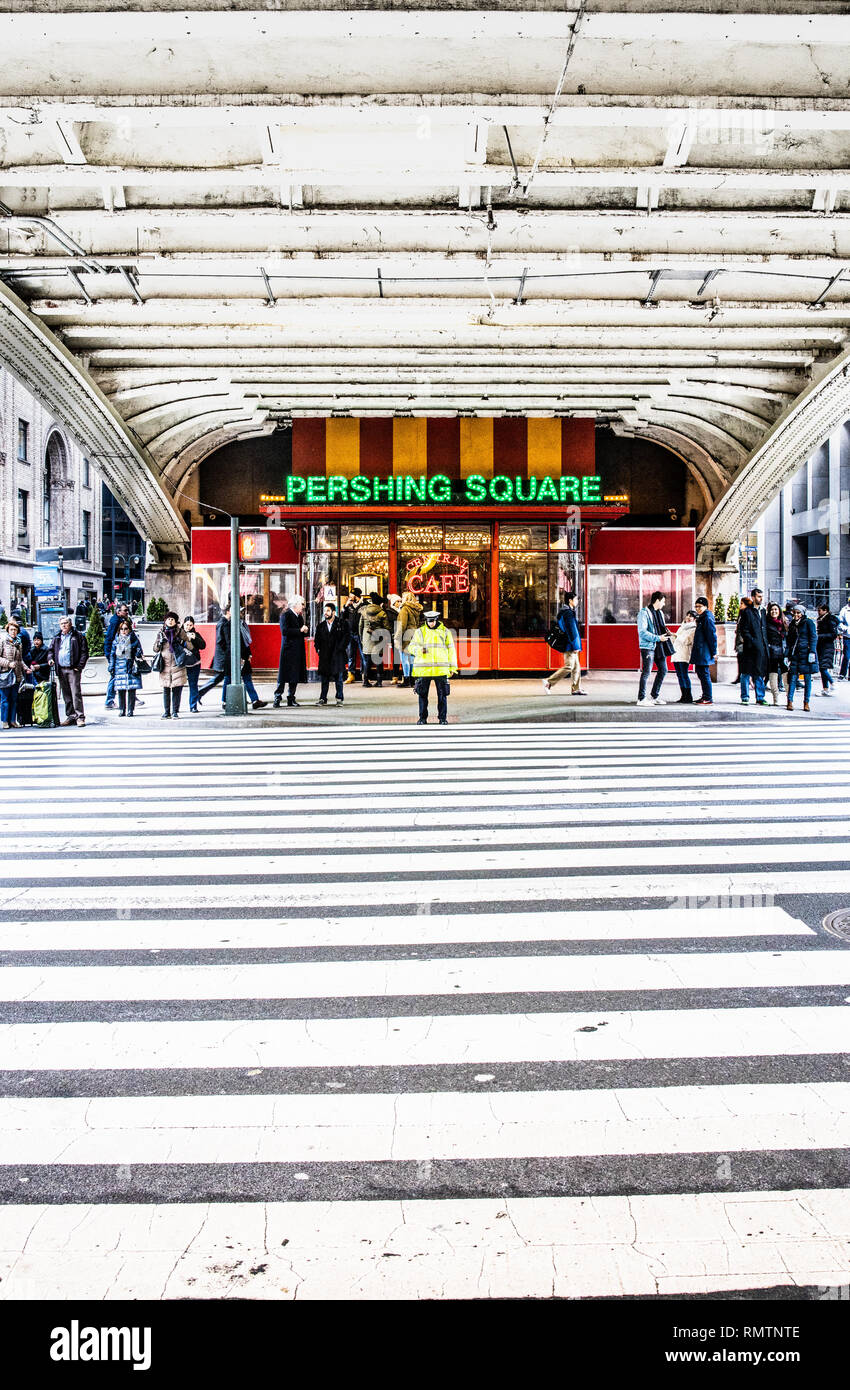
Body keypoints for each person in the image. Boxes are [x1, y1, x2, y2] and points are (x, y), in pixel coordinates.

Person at [409, 608, 458, 725]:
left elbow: (451, 650)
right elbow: (411, 647)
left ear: (436, 620)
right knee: (422, 695)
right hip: (424, 669)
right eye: (429, 621)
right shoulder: (420, 632)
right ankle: (422, 718)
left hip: (440, 669)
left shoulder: (445, 632)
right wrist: (419, 650)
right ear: (426, 620)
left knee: (442, 696)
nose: (431, 623)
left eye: (433, 621)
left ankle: (442, 718)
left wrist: (452, 668)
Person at [215, 605, 268, 710]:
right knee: (228, 678)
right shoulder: (227, 625)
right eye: (239, 611)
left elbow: (244, 641)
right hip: (232, 656)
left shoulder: (240, 624)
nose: (241, 613)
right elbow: (228, 643)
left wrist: (248, 654)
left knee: (246, 677)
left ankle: (255, 700)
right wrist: (236, 656)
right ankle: (225, 701)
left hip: (241, 655)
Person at [49, 614, 89, 726]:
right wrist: (50, 659)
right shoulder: (57, 637)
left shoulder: (78, 636)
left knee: (75, 693)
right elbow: (51, 650)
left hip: (73, 669)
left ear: (70, 624)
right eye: (62, 624)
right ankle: (71, 716)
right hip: (61, 669)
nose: (64, 625)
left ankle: (80, 717)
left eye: (66, 623)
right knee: (66, 694)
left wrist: (79, 666)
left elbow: (84, 652)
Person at [542, 590, 585, 695]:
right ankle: (549, 682)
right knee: (569, 667)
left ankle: (576, 688)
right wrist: (575, 645)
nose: (577, 601)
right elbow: (571, 631)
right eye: (576, 599)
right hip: (569, 644)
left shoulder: (565, 612)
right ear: (570, 600)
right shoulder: (568, 613)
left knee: (576, 667)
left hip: (570, 643)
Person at [635, 590, 672, 705]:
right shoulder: (644, 613)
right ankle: (641, 699)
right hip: (648, 646)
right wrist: (658, 638)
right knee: (647, 672)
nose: (664, 604)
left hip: (659, 646)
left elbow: (660, 628)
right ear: (657, 600)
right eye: (663, 601)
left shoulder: (660, 613)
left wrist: (666, 633)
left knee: (663, 670)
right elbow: (642, 632)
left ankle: (654, 696)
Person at [274, 594, 308, 707]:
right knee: (283, 675)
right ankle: (277, 697)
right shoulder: (286, 615)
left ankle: (291, 698)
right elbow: (284, 631)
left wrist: (304, 631)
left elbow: (301, 632)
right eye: (301, 604)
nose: (303, 607)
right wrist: (300, 630)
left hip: (298, 649)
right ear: (295, 605)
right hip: (288, 649)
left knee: (295, 674)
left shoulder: (299, 617)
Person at [153, 611, 188, 719]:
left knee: (177, 690)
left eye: (172, 619)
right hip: (165, 665)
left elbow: (189, 646)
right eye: (168, 619)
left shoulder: (181, 632)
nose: (170, 621)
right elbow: (155, 649)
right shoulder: (161, 632)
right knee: (166, 690)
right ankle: (166, 712)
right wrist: (160, 643)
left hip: (178, 663)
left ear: (176, 621)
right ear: (165, 621)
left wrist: (181, 642)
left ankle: (175, 712)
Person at [314, 602, 349, 705]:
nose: (325, 613)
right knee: (324, 678)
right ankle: (323, 698)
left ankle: (339, 698)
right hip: (324, 655)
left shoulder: (341, 623)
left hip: (337, 654)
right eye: (325, 611)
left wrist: (340, 648)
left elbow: (346, 637)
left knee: (338, 678)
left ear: (334, 612)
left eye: (328, 611)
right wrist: (318, 649)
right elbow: (317, 640)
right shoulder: (320, 626)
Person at [108, 617, 143, 717]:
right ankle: (122, 709)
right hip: (119, 666)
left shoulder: (134, 639)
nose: (123, 631)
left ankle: (130, 710)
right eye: (121, 629)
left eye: (126, 628)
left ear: (129, 629)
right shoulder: (116, 640)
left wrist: (137, 652)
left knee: (132, 689)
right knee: (121, 690)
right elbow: (112, 654)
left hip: (131, 666)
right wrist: (111, 666)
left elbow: (139, 651)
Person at [736, 594, 769, 704]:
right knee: (746, 672)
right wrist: (752, 640)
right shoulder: (747, 612)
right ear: (753, 597)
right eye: (759, 596)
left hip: (760, 647)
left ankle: (760, 697)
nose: (761, 598)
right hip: (749, 647)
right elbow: (744, 630)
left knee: (759, 672)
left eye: (761, 596)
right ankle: (745, 697)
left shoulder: (763, 611)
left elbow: (764, 629)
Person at [786, 603, 817, 711]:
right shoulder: (792, 624)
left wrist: (812, 651)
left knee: (807, 679)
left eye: (798, 613)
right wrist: (787, 655)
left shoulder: (808, 623)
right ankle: (789, 702)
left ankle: (806, 702)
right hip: (795, 654)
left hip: (806, 653)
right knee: (793, 678)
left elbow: (813, 637)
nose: (796, 615)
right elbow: (789, 641)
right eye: (794, 613)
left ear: (802, 613)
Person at [359, 591, 391, 688]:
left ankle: (365, 681)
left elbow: (360, 626)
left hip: (367, 638)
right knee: (378, 661)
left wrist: (362, 638)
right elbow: (387, 627)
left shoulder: (364, 611)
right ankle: (379, 682)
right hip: (378, 638)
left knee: (367, 661)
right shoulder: (382, 613)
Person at [691, 596, 717, 705]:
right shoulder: (702, 617)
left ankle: (708, 697)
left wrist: (714, 651)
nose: (697, 608)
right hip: (701, 650)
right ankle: (705, 695)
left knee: (704, 674)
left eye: (700, 606)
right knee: (701, 673)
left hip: (704, 651)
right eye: (696, 606)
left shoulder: (707, 618)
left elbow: (712, 636)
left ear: (705, 606)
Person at [103, 602, 131, 708]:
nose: (127, 612)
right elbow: (109, 638)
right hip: (115, 654)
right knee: (115, 676)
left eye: (127, 610)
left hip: (120, 653)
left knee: (121, 675)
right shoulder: (115, 622)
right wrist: (109, 654)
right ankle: (109, 700)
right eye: (125, 610)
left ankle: (132, 697)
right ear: (118, 612)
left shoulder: (121, 621)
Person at [396, 589, 424, 689]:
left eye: (403, 597)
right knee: (412, 658)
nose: (401, 599)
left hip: (406, 635)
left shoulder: (405, 609)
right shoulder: (416, 609)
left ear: (406, 598)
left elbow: (402, 625)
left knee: (404, 658)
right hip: (414, 634)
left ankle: (406, 680)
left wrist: (397, 637)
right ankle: (413, 680)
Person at [0, 617, 24, 729]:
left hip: (16, 674)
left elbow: (20, 660)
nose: (13, 632)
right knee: (5, 699)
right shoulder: (3, 641)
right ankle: (5, 721)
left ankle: (13, 720)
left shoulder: (19, 642)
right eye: (11, 630)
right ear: (8, 630)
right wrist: (8, 663)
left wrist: (25, 668)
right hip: (5, 674)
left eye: (15, 630)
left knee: (14, 699)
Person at [670, 608, 697, 703]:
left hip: (684, 654)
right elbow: (676, 639)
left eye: (691, 616)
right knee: (679, 675)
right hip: (677, 654)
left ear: (694, 619)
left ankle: (688, 696)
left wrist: (676, 636)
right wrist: (671, 636)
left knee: (684, 675)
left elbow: (688, 641)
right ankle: (683, 696)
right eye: (688, 615)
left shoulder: (693, 629)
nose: (688, 618)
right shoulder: (682, 627)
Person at [181, 615, 207, 712]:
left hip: (194, 662)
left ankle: (193, 706)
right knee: (178, 685)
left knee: (193, 684)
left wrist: (195, 638)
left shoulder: (196, 634)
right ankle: (175, 708)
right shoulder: (178, 634)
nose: (188, 627)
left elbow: (203, 645)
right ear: (183, 624)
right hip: (181, 663)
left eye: (190, 625)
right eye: (187, 625)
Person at [765, 603, 788, 707]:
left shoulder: (784, 623)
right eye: (772, 610)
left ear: (779, 611)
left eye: (776, 609)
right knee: (773, 674)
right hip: (772, 652)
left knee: (785, 673)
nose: (774, 611)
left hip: (783, 652)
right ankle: (776, 698)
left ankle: (789, 698)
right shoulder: (766, 623)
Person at [816, 603, 839, 696]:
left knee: (823, 667)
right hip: (822, 646)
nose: (818, 612)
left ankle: (832, 683)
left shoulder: (829, 620)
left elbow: (833, 634)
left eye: (819, 610)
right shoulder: (821, 619)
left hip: (827, 646)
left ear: (825, 610)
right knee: (822, 668)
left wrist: (819, 636)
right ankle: (825, 688)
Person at [342, 588, 364, 683]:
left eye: (351, 595)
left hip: (360, 633)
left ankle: (364, 675)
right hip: (350, 633)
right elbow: (343, 618)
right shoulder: (349, 606)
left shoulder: (364, 605)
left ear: (356, 596)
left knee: (363, 655)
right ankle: (351, 675)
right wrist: (345, 606)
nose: (350, 597)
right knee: (350, 654)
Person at [837, 596, 850, 680]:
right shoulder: (844, 610)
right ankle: (842, 674)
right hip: (847, 636)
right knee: (847, 656)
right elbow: (839, 623)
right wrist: (846, 629)